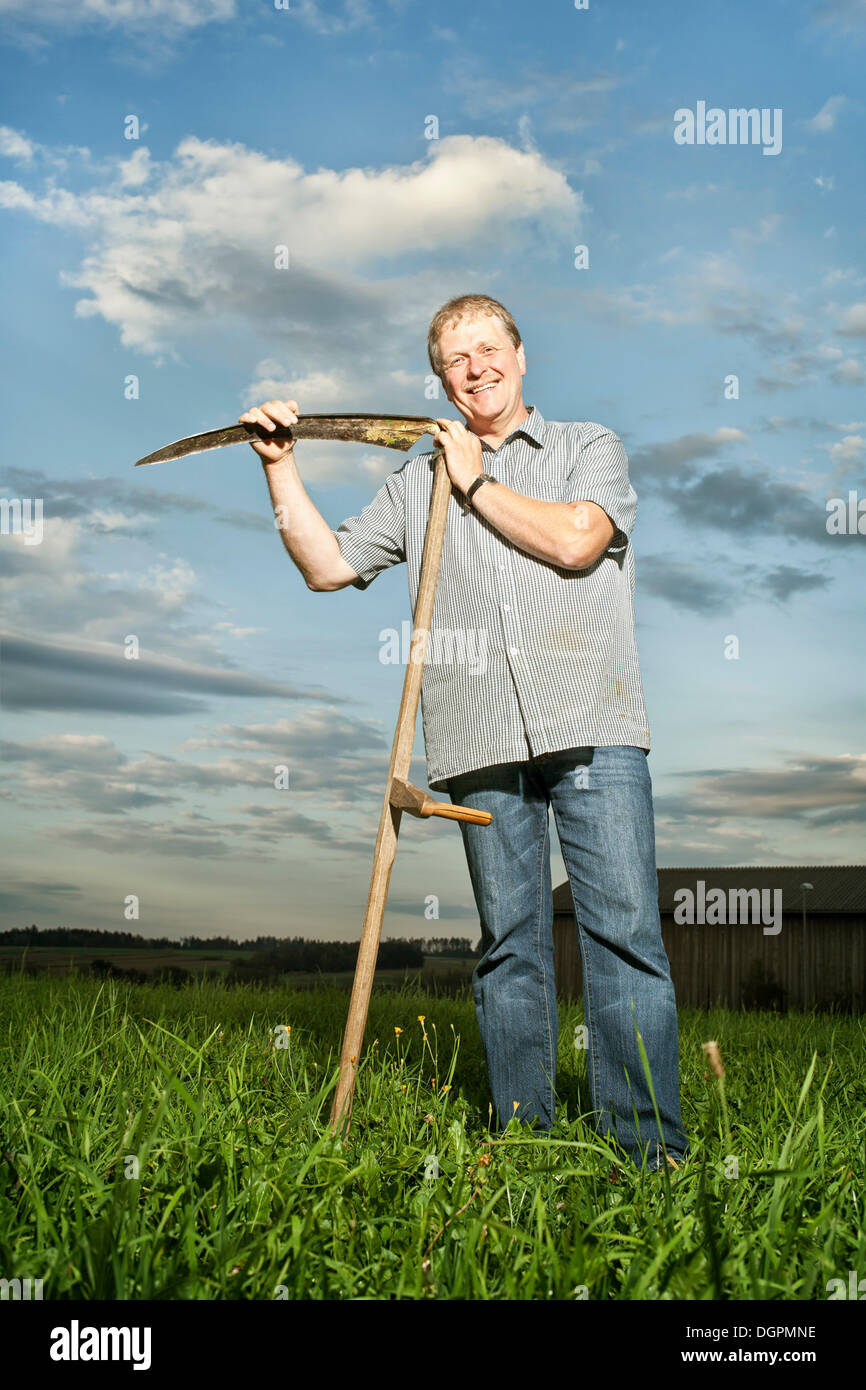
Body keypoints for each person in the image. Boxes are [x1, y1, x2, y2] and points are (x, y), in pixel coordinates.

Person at [240, 293, 689, 1170]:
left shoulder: (586, 447)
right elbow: (327, 567)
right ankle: (526, 1142)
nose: (476, 367)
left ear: (521, 357)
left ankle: (646, 1156)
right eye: (456, 358)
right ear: (440, 378)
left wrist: (476, 479)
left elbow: (577, 543)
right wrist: (279, 468)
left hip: (592, 725)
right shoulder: (414, 479)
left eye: (490, 349)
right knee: (509, 949)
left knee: (624, 938)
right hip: (479, 742)